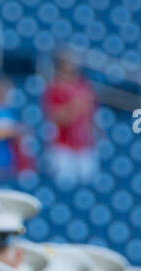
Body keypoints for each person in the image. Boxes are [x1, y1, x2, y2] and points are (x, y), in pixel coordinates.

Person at [41, 51, 98, 185]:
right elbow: (55, 117)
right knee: (64, 183)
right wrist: (75, 107)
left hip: (84, 145)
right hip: (63, 146)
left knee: (88, 182)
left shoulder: (84, 87)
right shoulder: (54, 87)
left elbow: (91, 115)